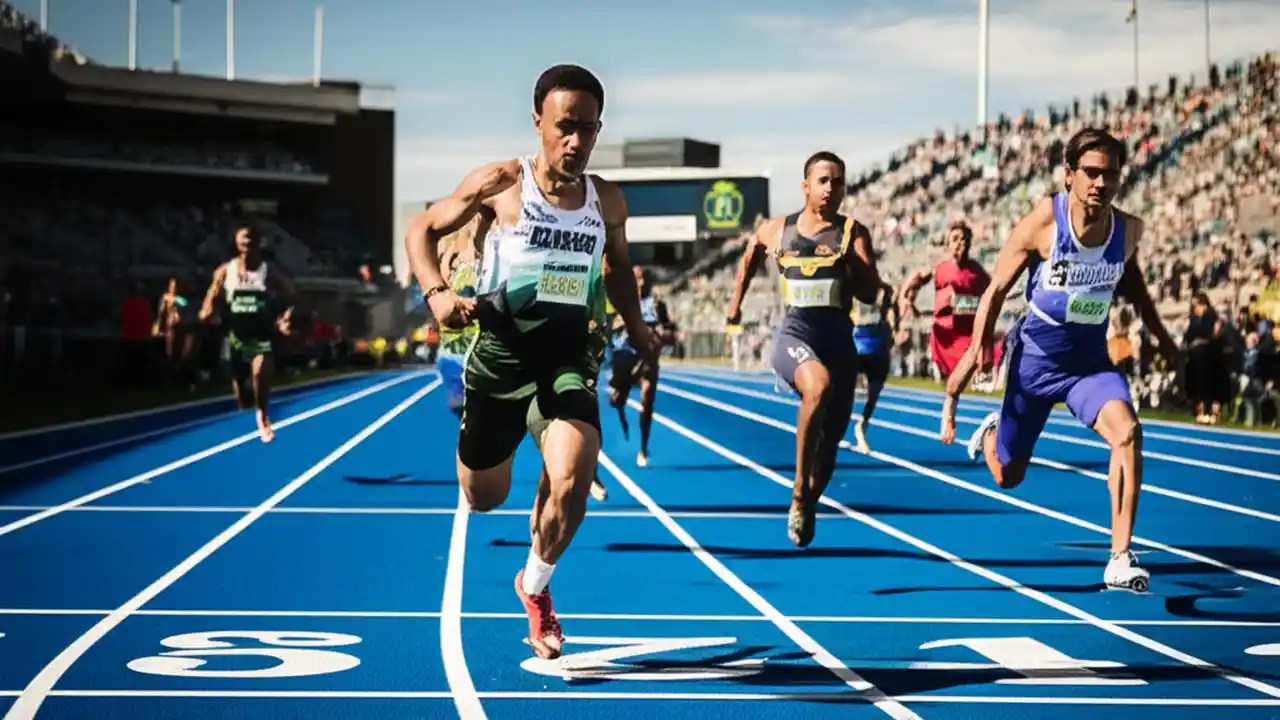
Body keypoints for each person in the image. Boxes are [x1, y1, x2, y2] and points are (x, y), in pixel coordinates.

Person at [403, 64, 658, 660]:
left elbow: (618, 270)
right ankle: (509, 449)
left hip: (567, 362)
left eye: (589, 129)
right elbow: (421, 228)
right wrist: (437, 293)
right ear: (538, 122)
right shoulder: (501, 183)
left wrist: (639, 327)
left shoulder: (607, 201)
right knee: (484, 498)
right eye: (565, 126)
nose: (576, 141)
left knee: (573, 474)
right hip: (498, 364)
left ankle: (535, 587)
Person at [940, 128, 1179, 593]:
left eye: (1110, 174)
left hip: (1090, 364)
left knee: (1127, 433)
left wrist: (1167, 344)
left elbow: (1138, 290)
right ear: (1069, 175)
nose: (1100, 183)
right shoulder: (1041, 226)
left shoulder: (1129, 231)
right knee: (1009, 475)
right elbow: (993, 294)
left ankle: (1120, 555)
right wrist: (973, 358)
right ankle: (993, 433)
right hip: (1035, 362)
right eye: (1090, 172)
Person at [726, 151, 880, 548]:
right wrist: (735, 305)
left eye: (839, 182)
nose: (832, 189)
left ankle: (808, 500)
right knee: (818, 387)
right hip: (795, 336)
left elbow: (869, 293)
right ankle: (797, 489)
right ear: (806, 186)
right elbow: (749, 255)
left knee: (829, 450)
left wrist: (852, 264)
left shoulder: (852, 233)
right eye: (824, 181)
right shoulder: (780, 231)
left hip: (839, 345)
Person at [199, 223, 296, 443]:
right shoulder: (225, 271)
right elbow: (211, 296)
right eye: (243, 238)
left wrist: (285, 319)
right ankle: (248, 398)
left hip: (262, 336)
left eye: (251, 238)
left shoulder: (269, 272)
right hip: (235, 337)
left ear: (258, 242)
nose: (246, 243)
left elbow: (292, 298)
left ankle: (263, 415)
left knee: (261, 369)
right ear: (236, 241)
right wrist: (206, 310)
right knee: (242, 396)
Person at [900, 220, 993, 381]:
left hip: (968, 339)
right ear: (947, 245)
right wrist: (906, 296)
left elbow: (994, 292)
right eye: (955, 239)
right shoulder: (939, 268)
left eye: (964, 238)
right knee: (949, 385)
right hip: (944, 338)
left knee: (965, 383)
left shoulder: (979, 272)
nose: (960, 243)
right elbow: (917, 279)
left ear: (970, 243)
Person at [607, 265, 675, 468]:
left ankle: (644, 449)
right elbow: (611, 326)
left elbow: (670, 328)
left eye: (644, 278)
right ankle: (620, 406)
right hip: (625, 356)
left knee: (647, 403)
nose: (642, 283)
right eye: (637, 279)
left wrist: (662, 332)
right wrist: (631, 323)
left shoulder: (656, 304)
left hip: (648, 358)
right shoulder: (622, 301)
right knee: (617, 400)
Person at [850, 281, 897, 453]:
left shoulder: (884, 292)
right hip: (857, 344)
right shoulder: (852, 286)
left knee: (874, 392)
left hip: (878, 346)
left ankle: (862, 425)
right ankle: (830, 426)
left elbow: (891, 310)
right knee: (842, 390)